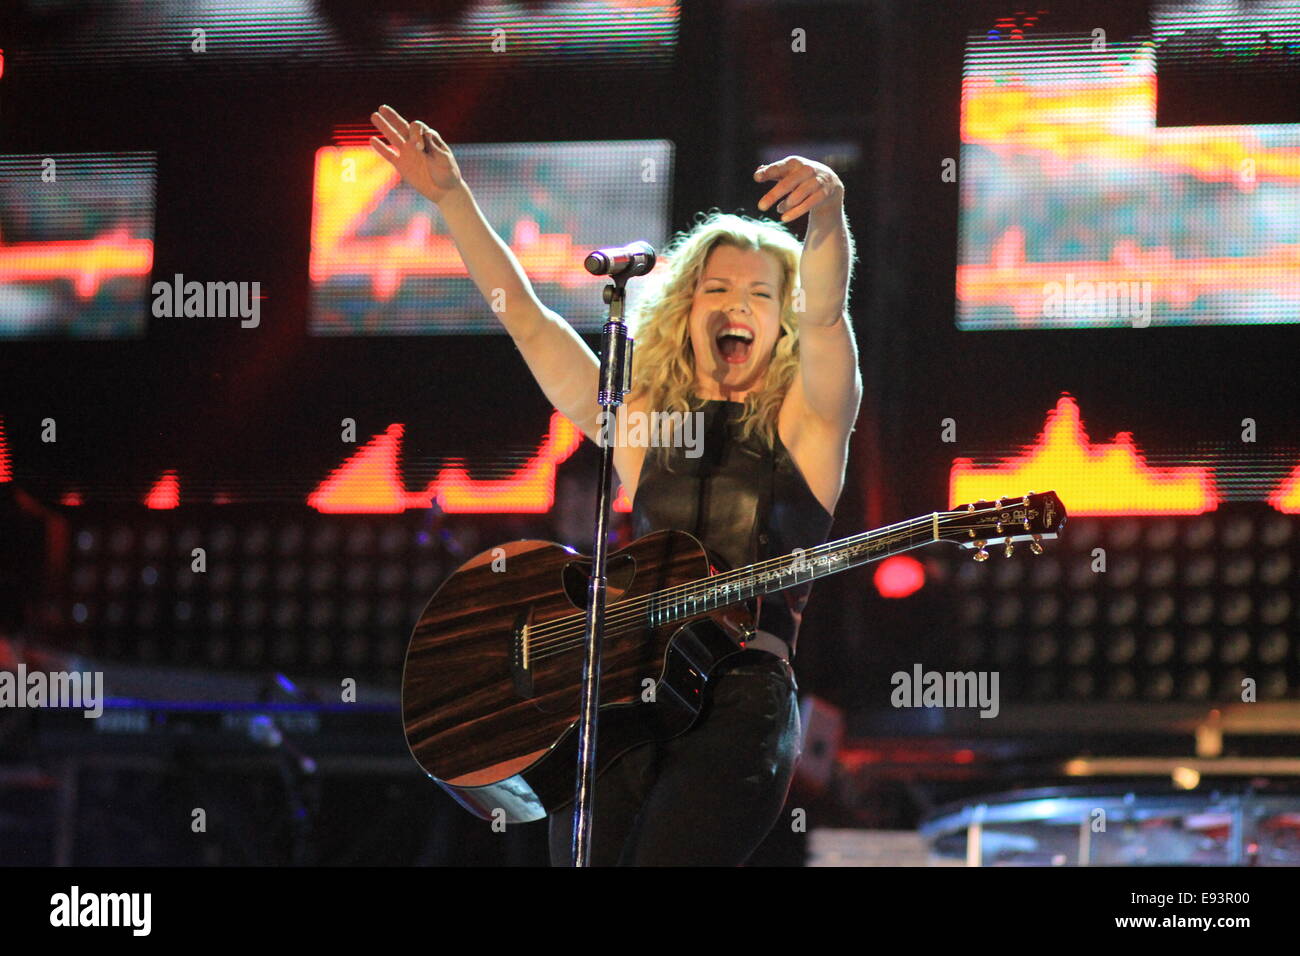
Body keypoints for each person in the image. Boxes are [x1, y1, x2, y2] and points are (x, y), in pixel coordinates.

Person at [370, 105, 860, 865]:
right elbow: (530, 324)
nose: (736, 305)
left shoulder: (808, 425)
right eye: (717, 287)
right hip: (620, 693)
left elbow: (827, 313)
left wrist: (826, 211)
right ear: (684, 309)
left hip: (740, 698)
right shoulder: (638, 422)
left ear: (782, 322)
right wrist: (452, 199)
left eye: (762, 295)